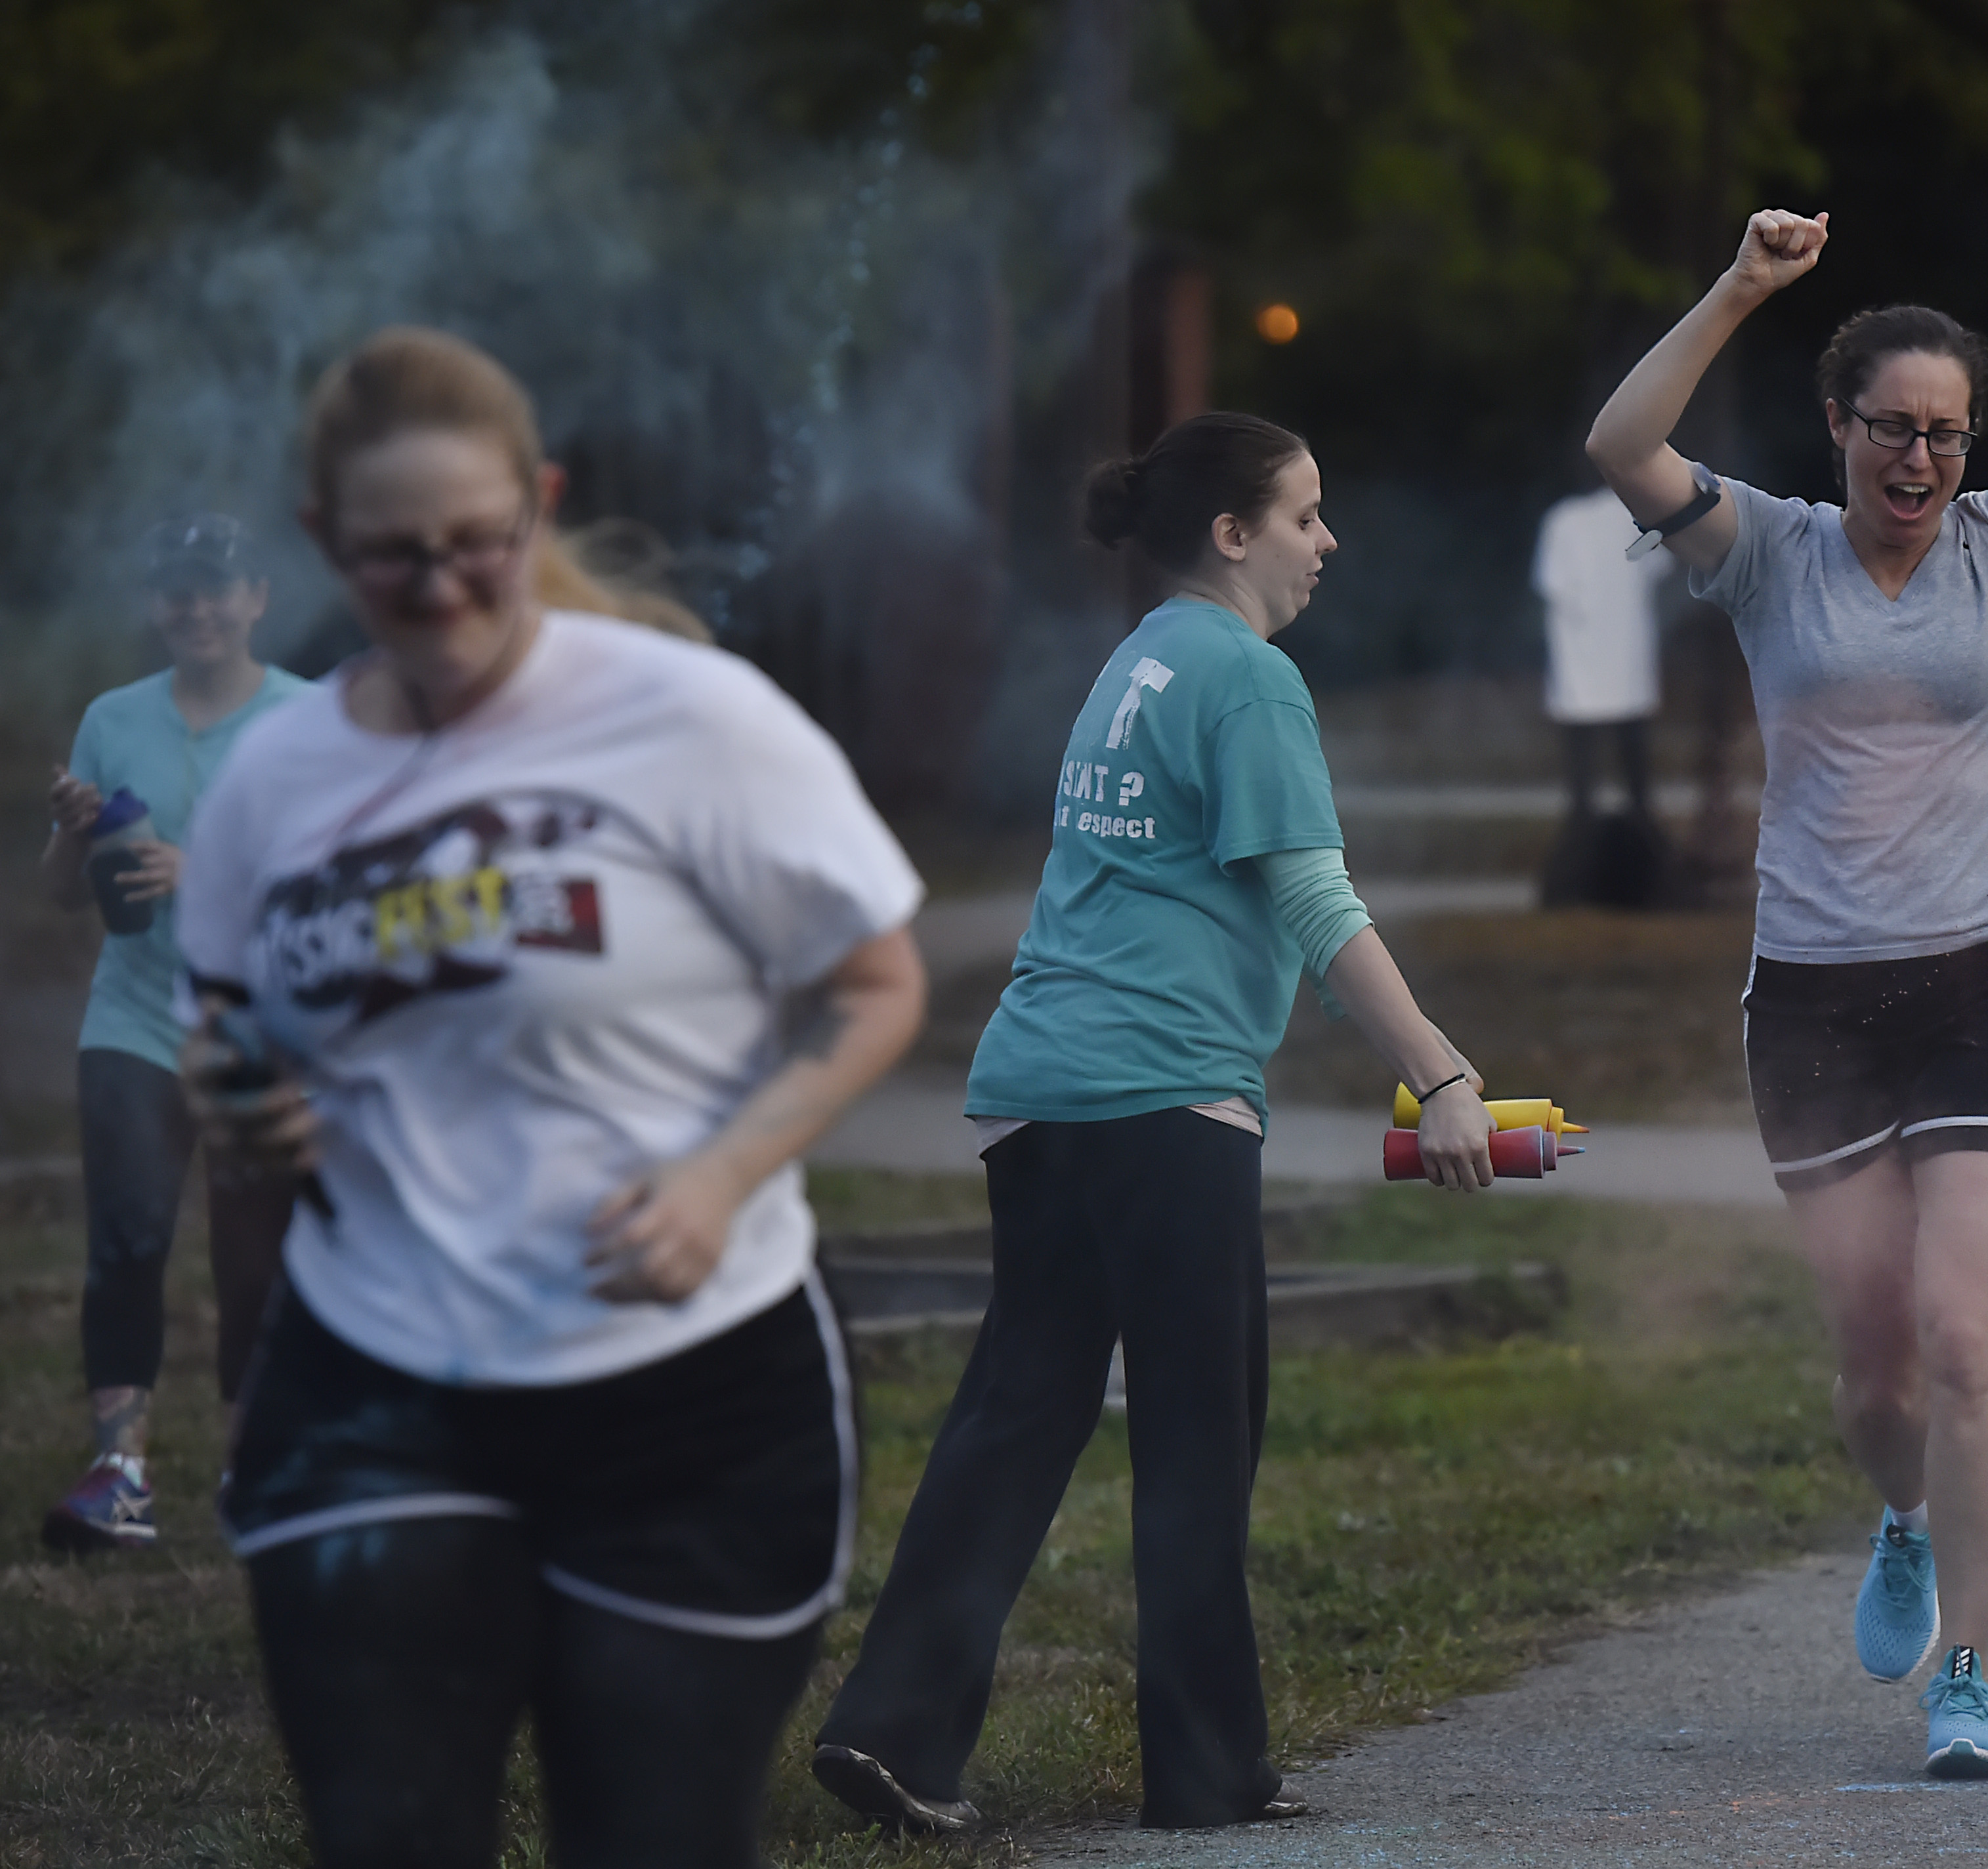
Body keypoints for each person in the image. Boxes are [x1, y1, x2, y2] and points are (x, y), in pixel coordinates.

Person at [179, 326, 928, 1868]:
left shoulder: (690, 720)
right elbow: (232, 1045)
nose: (442, 587)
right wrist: (235, 1112)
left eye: (477, 545)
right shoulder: (273, 778)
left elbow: (875, 987)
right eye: (394, 559)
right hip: (375, 1385)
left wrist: (719, 1176)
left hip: (688, 1388)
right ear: (325, 542)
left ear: (539, 505)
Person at [1586, 156, 1988, 1780]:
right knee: (1874, 1361)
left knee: (1959, 1337)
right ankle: (1904, 1517)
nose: (1919, 455)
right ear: (1839, 425)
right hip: (1814, 999)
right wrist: (1737, 284)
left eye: (1944, 430)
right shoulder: (1763, 550)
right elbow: (1619, 447)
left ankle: (1971, 1673)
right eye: (1889, 425)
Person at [811, 411, 1497, 1835]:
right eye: (1304, 516)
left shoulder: (1138, 658)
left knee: (1019, 1409)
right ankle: (1204, 1771)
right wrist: (1438, 1071)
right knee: (1197, 1432)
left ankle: (895, 1731)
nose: (1326, 542)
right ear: (1231, 533)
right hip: (1161, 1091)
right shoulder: (1247, 678)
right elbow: (1313, 900)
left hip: (1036, 1082)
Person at [35, 515, 307, 1552]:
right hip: (136, 1019)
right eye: (174, 591)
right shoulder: (113, 717)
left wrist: (205, 877)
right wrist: (73, 832)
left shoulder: (308, 722)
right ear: (155, 606)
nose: (194, 608)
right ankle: (121, 1472)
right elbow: (66, 896)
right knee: (127, 1244)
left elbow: (336, 889)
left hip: (259, 1025)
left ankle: (251, 1470)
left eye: (216, 587)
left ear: (258, 598)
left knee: (255, 1265)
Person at [1532, 482, 1675, 905]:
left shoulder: (1564, 521)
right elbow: (1654, 563)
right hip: (1626, 675)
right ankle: (1643, 888)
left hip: (1583, 681)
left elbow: (1553, 584)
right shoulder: (1637, 519)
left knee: (1584, 798)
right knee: (1637, 793)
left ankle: (1579, 888)